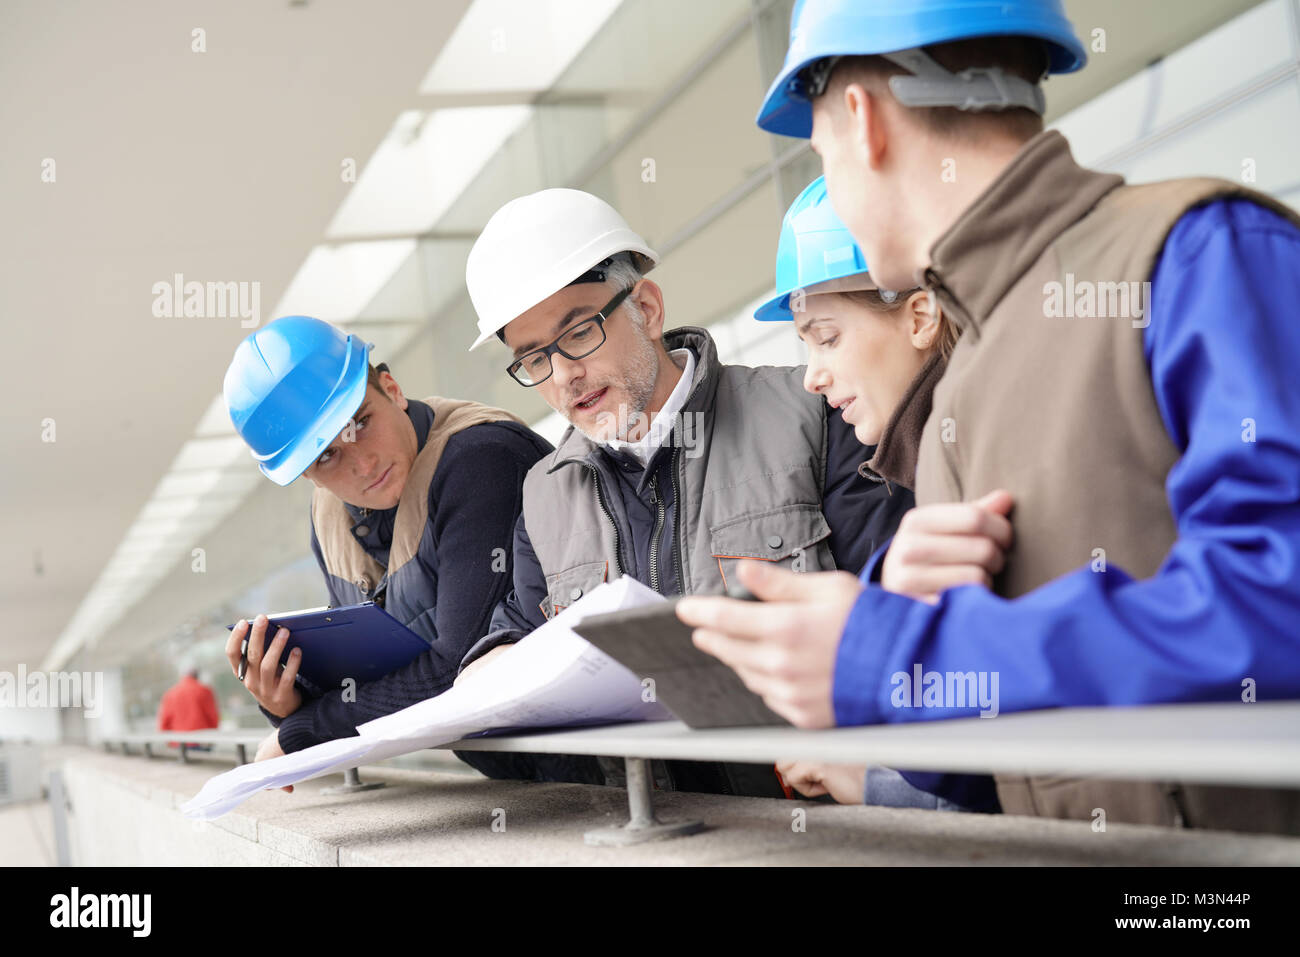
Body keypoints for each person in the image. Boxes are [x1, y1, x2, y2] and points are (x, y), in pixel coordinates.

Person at [677, 0, 1300, 832]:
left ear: (862, 121)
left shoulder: (1201, 252)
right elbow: (1021, 760)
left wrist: (897, 657)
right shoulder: (964, 381)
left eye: (817, 147)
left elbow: (1278, 603)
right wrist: (895, 636)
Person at [454, 187, 911, 797]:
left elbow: (903, 624)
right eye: (533, 358)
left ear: (645, 307)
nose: (564, 376)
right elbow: (517, 637)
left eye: (579, 332)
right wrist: (490, 672)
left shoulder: (818, 417)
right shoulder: (544, 496)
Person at [220, 315, 598, 783]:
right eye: (326, 456)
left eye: (360, 422)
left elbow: (459, 672)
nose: (363, 462)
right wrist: (288, 702)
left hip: (599, 772)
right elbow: (364, 682)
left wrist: (301, 731)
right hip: (513, 779)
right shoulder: (329, 519)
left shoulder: (482, 460)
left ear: (392, 389)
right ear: (303, 474)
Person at [756, 174, 990, 809]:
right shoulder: (939, 460)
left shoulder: (981, 462)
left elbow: (1021, 763)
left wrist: (868, 778)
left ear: (919, 315)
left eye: (828, 337)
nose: (812, 376)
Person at [157, 668, 220, 748]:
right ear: (197, 676)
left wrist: (167, 740)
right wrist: (212, 737)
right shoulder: (205, 691)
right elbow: (213, 717)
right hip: (201, 742)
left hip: (177, 743)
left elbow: (164, 721)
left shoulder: (170, 694)